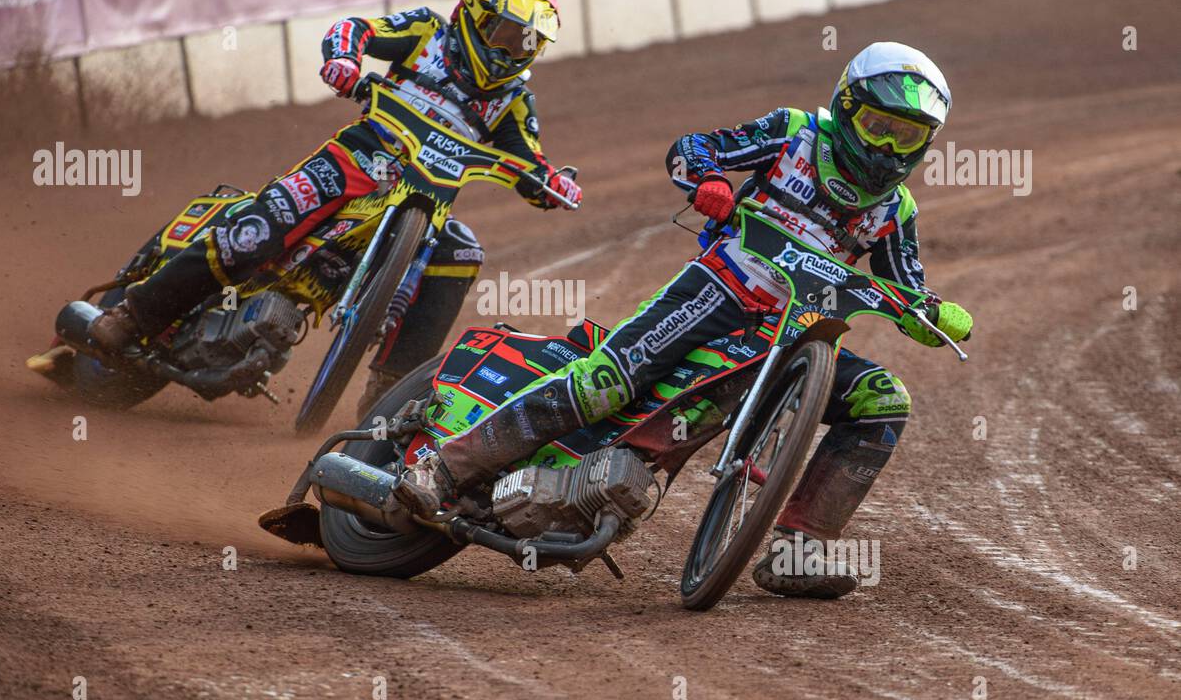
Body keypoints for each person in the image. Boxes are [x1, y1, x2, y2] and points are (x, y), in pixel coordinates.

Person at [394, 41, 973, 599]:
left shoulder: (895, 210)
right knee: (606, 382)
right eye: (879, 128)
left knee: (884, 398)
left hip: (794, 334)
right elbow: (694, 148)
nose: (888, 149)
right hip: (719, 292)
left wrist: (927, 313)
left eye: (909, 137)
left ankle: (800, 549)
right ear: (847, 110)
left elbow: (906, 286)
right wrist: (711, 181)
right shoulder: (795, 133)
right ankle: (446, 468)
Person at [86, 0, 581, 413]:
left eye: (527, 44)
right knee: (257, 231)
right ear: (473, 16)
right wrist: (345, 60)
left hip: (428, 201)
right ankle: (134, 316)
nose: (510, 52)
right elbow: (358, 29)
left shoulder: (513, 101)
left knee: (463, 251)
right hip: (355, 160)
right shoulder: (428, 33)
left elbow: (528, 160)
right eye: (505, 35)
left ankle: (388, 395)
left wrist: (551, 182)